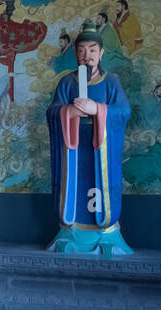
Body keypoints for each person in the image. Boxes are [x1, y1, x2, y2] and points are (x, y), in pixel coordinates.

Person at [45, 20, 133, 255]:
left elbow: (124, 111)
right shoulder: (67, 82)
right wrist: (68, 112)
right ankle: (69, 228)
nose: (87, 56)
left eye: (92, 50)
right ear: (75, 53)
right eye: (82, 51)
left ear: (101, 53)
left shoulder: (111, 81)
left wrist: (98, 110)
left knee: (102, 185)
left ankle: (107, 232)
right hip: (73, 148)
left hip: (101, 146)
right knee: (74, 185)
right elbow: (52, 112)